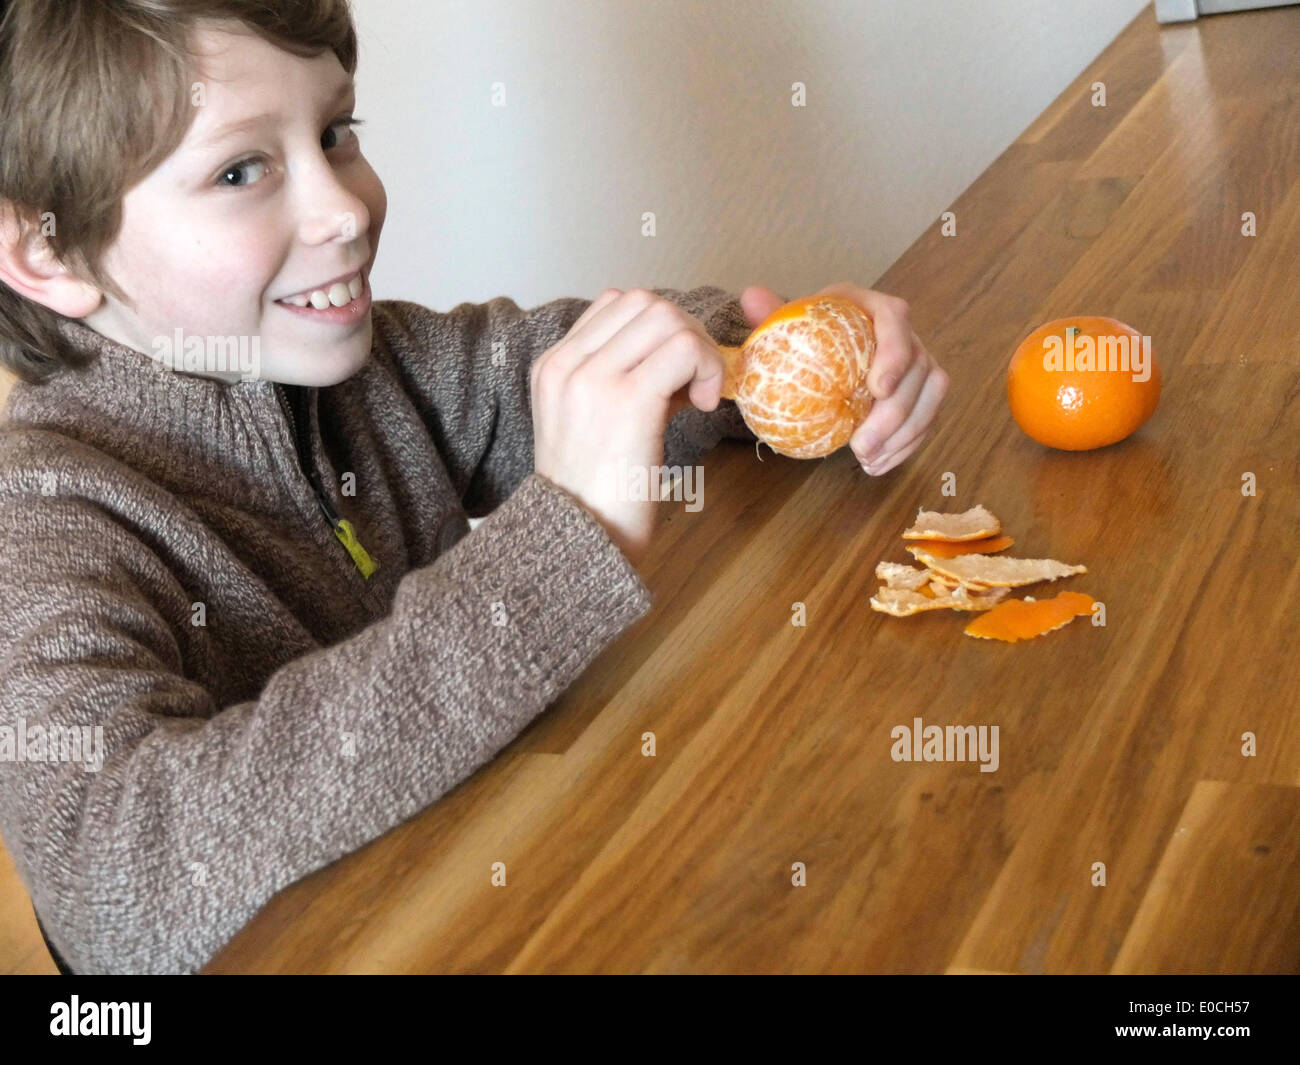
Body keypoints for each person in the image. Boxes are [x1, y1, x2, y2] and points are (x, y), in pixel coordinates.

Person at [0, 0, 947, 974]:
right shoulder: (38, 529)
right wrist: (567, 540)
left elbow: (567, 368)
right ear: (46, 251)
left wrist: (762, 362)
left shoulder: (375, 372)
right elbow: (118, 889)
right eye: (242, 170)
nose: (345, 208)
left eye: (335, 133)